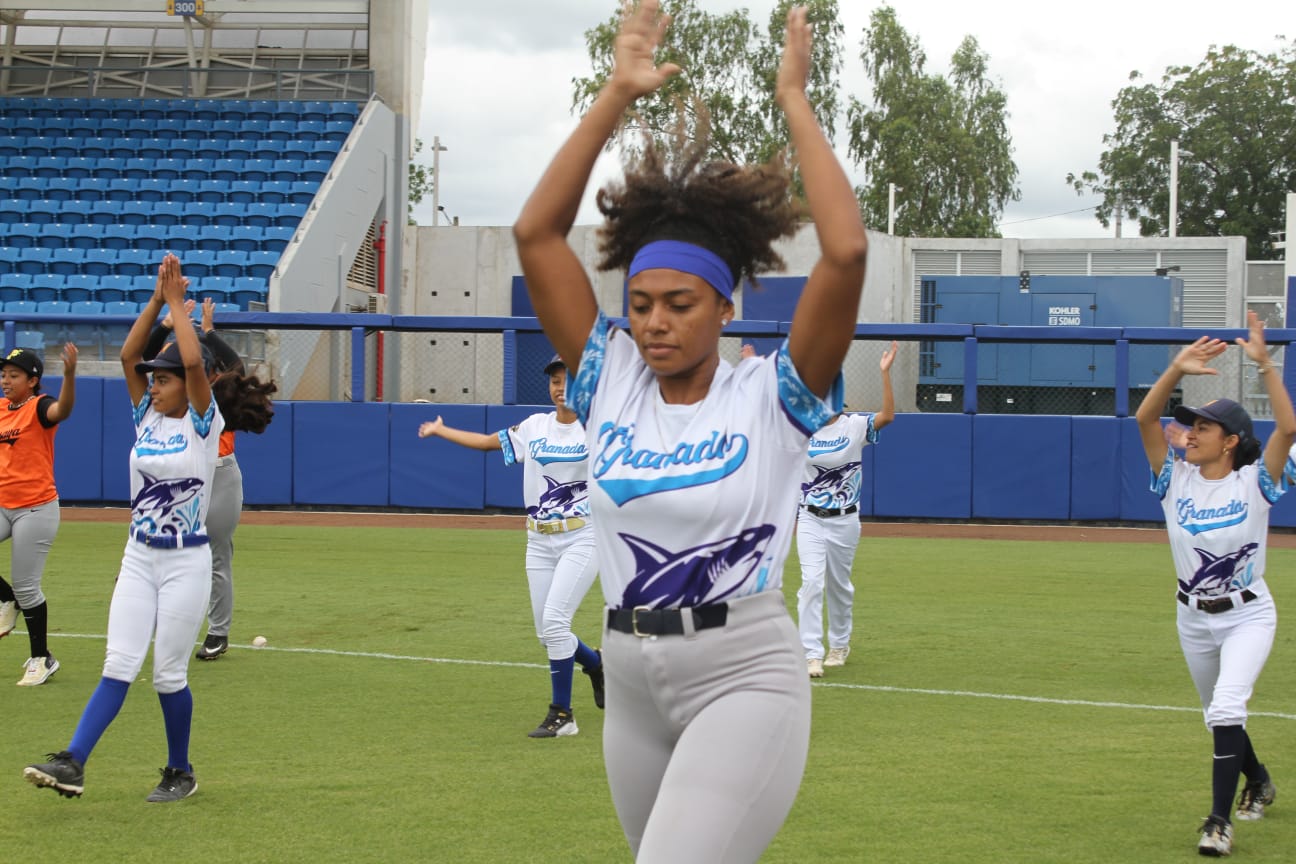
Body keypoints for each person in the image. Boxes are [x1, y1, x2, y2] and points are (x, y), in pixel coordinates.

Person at [511, 3, 867, 859]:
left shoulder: (773, 393)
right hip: (631, 676)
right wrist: (616, 92)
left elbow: (846, 254)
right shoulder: (611, 378)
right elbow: (537, 234)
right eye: (639, 306)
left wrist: (794, 100)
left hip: (742, 669)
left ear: (725, 305)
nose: (656, 323)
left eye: (680, 304)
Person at [23, 253, 275, 802]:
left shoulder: (204, 423)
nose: (154, 384)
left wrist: (182, 310)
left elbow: (189, 361)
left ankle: (180, 771)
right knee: (118, 662)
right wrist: (159, 301)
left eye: (163, 379)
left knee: (167, 676)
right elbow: (127, 353)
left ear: (191, 384)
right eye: (152, 380)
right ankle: (74, 762)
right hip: (138, 556)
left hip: (186, 561)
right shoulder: (149, 417)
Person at [1133, 312, 1295, 857]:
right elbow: (1145, 418)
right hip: (1193, 617)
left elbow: (1289, 430)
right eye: (1191, 425)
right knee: (1217, 716)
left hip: (1248, 613)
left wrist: (1265, 365)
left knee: (1227, 708)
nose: (1190, 432)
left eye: (1202, 427)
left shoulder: (1257, 481)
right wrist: (1174, 368)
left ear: (1230, 441)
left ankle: (1218, 822)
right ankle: (1260, 779)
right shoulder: (1172, 480)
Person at [418, 355, 604, 737]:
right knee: (546, 632)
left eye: (567, 379)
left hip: (583, 536)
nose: (559, 387)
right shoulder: (535, 426)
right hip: (538, 540)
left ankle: (562, 715)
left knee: (555, 622)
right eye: (554, 379)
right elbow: (489, 443)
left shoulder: (599, 429)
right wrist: (442, 430)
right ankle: (597, 665)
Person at [142, 297, 249, 662]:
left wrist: (208, 332)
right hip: (181, 474)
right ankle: (159, 623)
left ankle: (218, 631)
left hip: (219, 476)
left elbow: (237, 365)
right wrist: (168, 325)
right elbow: (142, 356)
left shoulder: (218, 392)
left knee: (217, 556)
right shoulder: (166, 395)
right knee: (164, 549)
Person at [797, 341, 895, 678]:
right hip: (809, 515)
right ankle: (811, 653)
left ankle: (839, 644)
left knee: (839, 585)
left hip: (844, 520)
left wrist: (884, 374)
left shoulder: (853, 427)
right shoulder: (802, 430)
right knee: (811, 582)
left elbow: (887, 417)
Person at [0, 342, 77, 686]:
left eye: (13, 375)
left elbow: (63, 409)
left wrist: (70, 375)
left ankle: (41, 658)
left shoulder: (39, 407)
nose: (6, 380)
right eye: (3, 374)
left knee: (28, 586)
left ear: (32, 380)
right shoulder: (1, 408)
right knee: (17, 591)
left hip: (35, 508)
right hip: (3, 504)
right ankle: (5, 599)